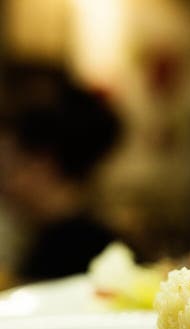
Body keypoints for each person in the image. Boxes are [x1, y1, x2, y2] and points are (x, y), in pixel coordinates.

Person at [0, 76, 122, 281]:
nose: (3, 188)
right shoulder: (62, 238)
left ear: (42, 163)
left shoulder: (70, 250)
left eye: (5, 170)